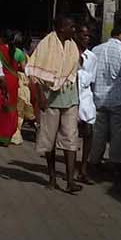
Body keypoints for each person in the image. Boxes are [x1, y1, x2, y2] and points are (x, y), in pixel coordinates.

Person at [27, 15, 82, 193]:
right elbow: (33, 71)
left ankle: (70, 180)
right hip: (49, 97)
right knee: (48, 139)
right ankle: (51, 177)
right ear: (61, 28)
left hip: (69, 97)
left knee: (71, 137)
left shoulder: (73, 45)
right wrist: (40, 96)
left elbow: (74, 71)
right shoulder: (45, 45)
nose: (74, 30)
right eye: (71, 27)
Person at [89, 21, 121, 182]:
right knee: (118, 133)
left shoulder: (96, 50)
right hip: (119, 100)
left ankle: (94, 161)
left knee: (99, 133)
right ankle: (114, 163)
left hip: (99, 98)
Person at [0, 32, 25, 145]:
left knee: (0, 107)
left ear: (2, 39)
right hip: (13, 82)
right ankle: (8, 136)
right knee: (11, 108)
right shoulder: (19, 52)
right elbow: (24, 68)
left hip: (0, 80)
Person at [75, 23, 96, 184]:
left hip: (86, 97)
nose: (86, 38)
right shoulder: (69, 53)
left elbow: (92, 79)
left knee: (88, 131)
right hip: (71, 96)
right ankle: (71, 168)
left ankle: (83, 168)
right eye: (83, 35)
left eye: (88, 36)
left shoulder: (92, 57)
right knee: (71, 135)